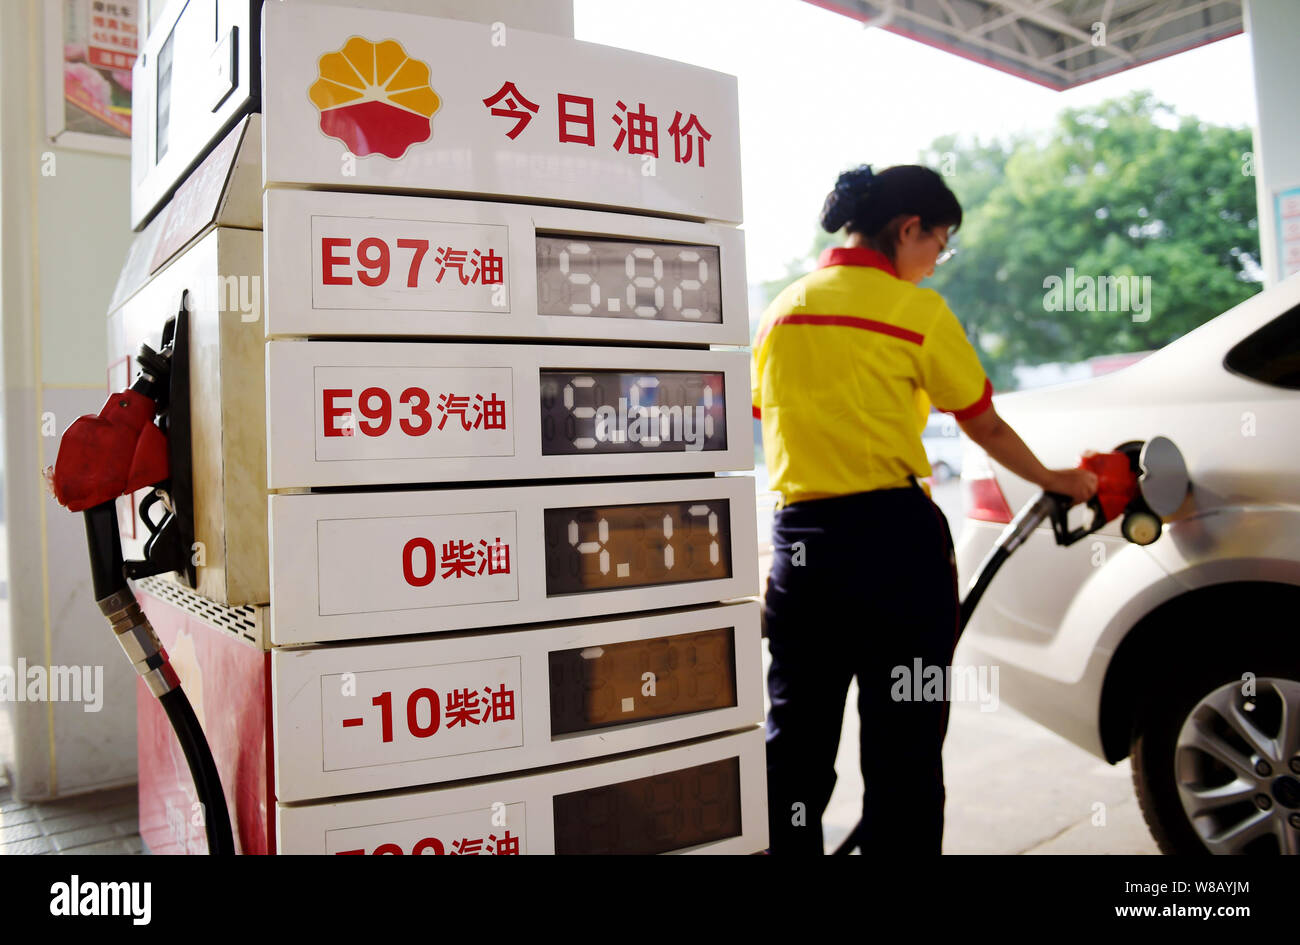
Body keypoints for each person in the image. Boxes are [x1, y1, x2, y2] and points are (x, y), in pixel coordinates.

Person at [751, 164, 1099, 855]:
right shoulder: (916, 311)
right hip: (895, 550)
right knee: (905, 743)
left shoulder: (783, 306)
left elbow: (763, 414)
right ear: (909, 229)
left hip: (802, 549)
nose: (937, 260)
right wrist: (1057, 476)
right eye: (940, 244)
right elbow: (984, 424)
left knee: (795, 736)